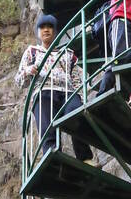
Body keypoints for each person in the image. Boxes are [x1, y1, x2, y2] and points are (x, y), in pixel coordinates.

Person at [14, 11, 94, 162]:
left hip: (67, 92)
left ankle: (85, 157)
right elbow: (18, 81)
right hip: (44, 92)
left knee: (76, 116)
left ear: (55, 31)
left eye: (50, 27)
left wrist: (81, 96)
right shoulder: (32, 52)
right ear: (38, 32)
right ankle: (53, 158)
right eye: (42, 27)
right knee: (47, 127)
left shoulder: (68, 53)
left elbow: (78, 77)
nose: (46, 30)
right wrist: (27, 71)